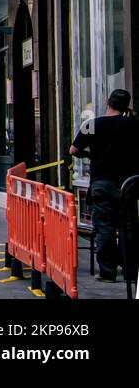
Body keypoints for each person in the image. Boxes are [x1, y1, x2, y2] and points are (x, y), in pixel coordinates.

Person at [70, 89, 139, 282]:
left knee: (104, 227)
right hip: (128, 184)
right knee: (128, 227)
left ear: (108, 102)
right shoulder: (133, 125)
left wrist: (90, 155)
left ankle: (107, 271)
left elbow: (74, 149)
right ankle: (131, 270)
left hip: (101, 183)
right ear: (127, 106)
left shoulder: (92, 124)